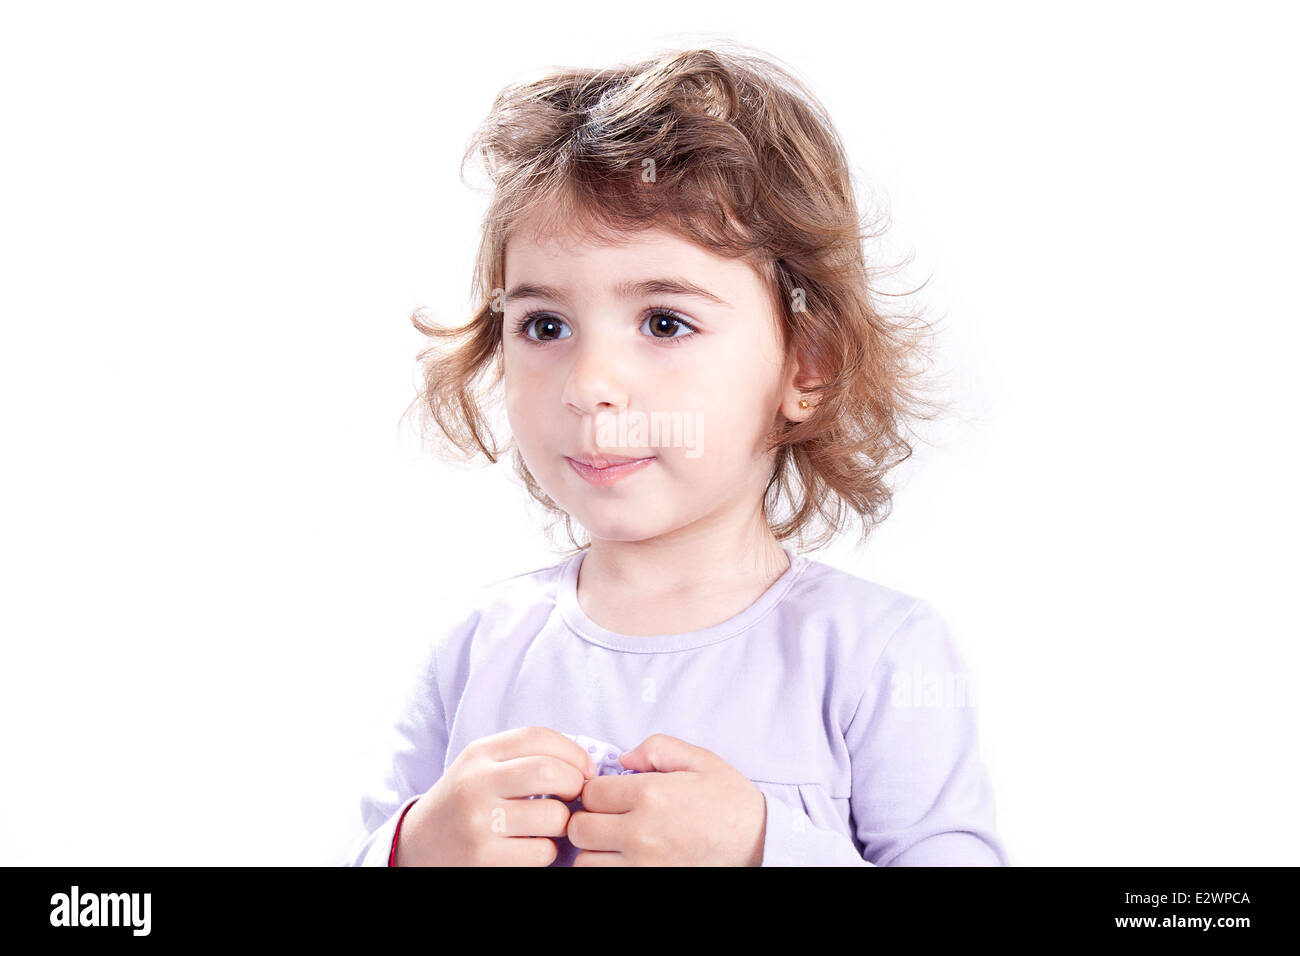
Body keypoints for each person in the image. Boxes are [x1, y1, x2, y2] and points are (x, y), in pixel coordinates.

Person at [343, 41, 1008, 867]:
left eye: (664, 322)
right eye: (544, 326)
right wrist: (414, 849)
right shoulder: (475, 649)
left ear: (806, 365)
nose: (590, 386)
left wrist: (763, 848)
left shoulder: (877, 653)